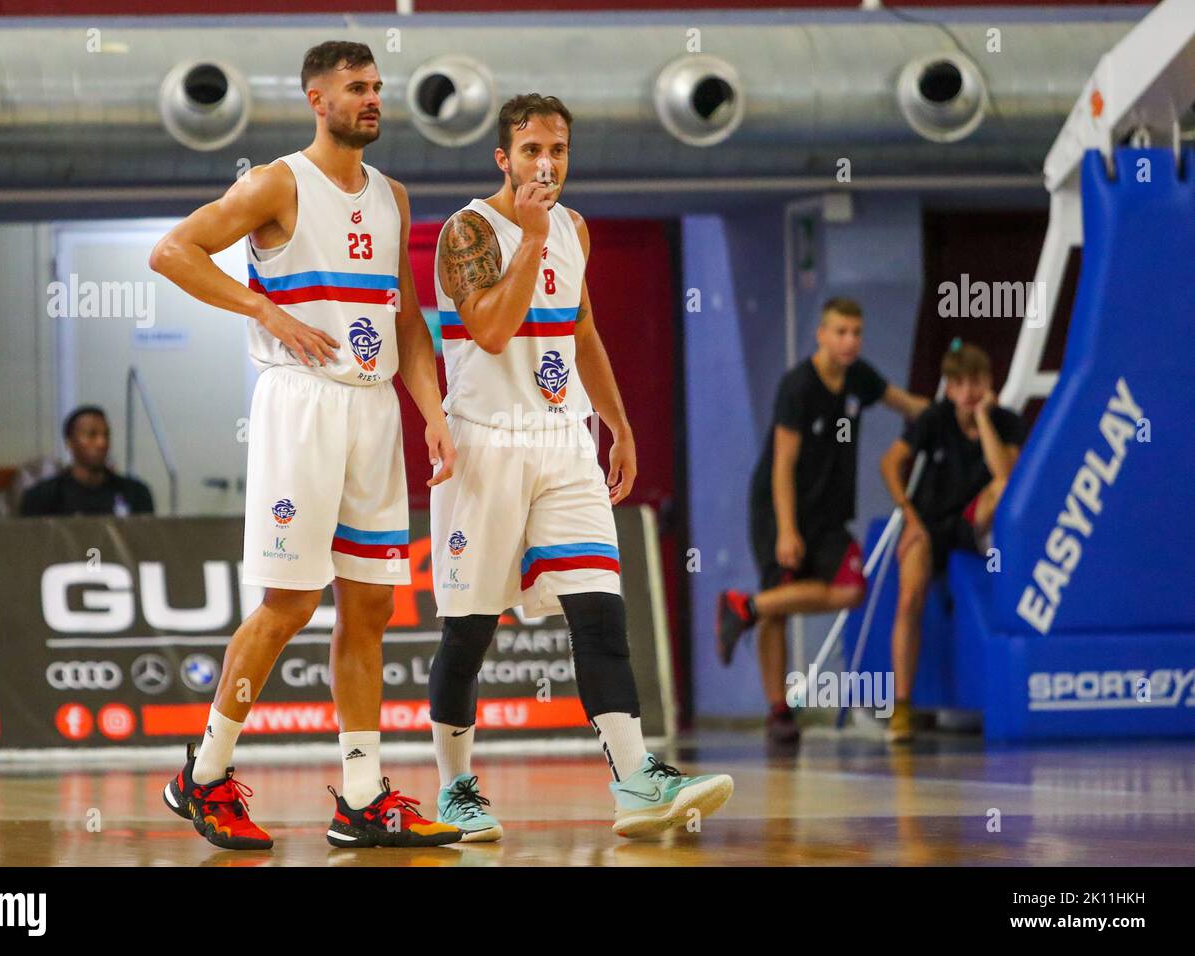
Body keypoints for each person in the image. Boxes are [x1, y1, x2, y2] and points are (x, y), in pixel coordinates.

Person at [149, 40, 460, 850]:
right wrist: (264, 309)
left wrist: (432, 411)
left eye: (377, 87)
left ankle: (362, 797)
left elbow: (407, 320)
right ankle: (203, 774)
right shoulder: (276, 182)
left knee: (370, 607)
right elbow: (173, 251)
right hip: (302, 407)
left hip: (374, 411)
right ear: (317, 100)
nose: (373, 99)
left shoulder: (393, 193)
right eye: (357, 88)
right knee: (289, 605)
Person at [426, 93, 734, 841]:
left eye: (558, 150)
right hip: (486, 444)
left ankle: (635, 780)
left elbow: (583, 327)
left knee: (599, 612)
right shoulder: (467, 230)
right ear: (503, 158)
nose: (547, 164)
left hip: (565, 441)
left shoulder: (578, 229)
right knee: (468, 634)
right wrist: (528, 239)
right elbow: (494, 332)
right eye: (531, 150)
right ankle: (455, 788)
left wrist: (618, 422)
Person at [716, 298, 927, 743]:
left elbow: (905, 404)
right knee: (781, 601)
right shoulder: (797, 386)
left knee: (851, 588)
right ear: (822, 334)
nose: (850, 341)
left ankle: (744, 607)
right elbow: (782, 464)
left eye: (856, 332)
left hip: (830, 514)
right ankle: (778, 710)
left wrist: (950, 411)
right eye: (841, 332)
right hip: (780, 509)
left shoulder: (859, 378)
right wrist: (787, 529)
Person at [880, 342, 1023, 743]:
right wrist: (908, 515)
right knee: (910, 599)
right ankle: (902, 707)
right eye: (959, 383)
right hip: (927, 524)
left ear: (989, 383)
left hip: (973, 521)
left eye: (976, 382)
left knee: (1000, 485)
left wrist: (983, 418)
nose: (968, 391)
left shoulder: (1007, 422)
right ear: (949, 386)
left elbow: (1004, 472)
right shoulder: (933, 419)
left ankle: (988, 546)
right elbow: (889, 463)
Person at [19, 406, 154, 517]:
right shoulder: (43, 496)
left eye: (106, 435)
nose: (102, 443)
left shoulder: (135, 493)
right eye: (91, 435)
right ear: (69, 443)